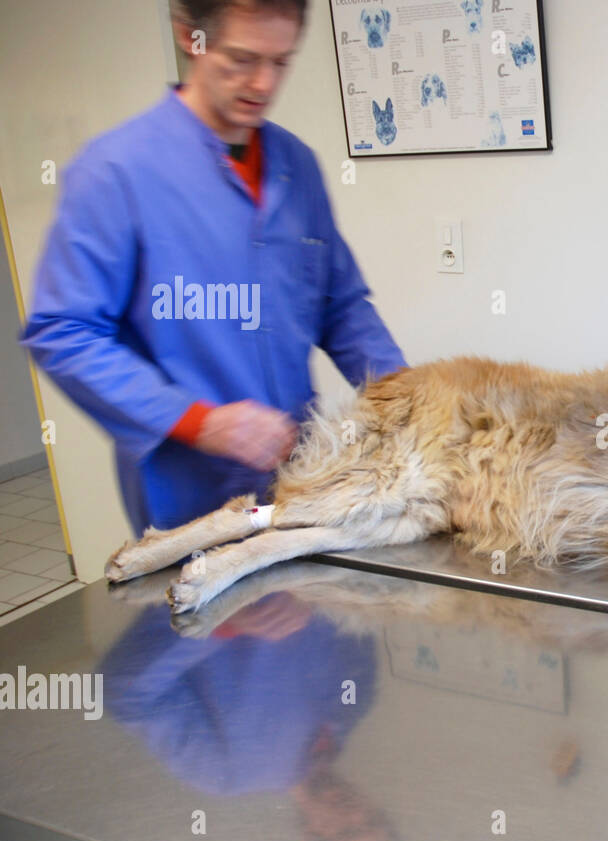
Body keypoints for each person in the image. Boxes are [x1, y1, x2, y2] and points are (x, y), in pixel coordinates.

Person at [21, 0, 406, 537]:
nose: (263, 84)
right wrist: (199, 421)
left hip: (300, 477)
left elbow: (339, 306)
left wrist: (409, 399)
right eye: (242, 59)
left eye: (280, 61)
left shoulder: (297, 166)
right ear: (189, 37)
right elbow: (62, 331)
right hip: (189, 494)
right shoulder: (115, 171)